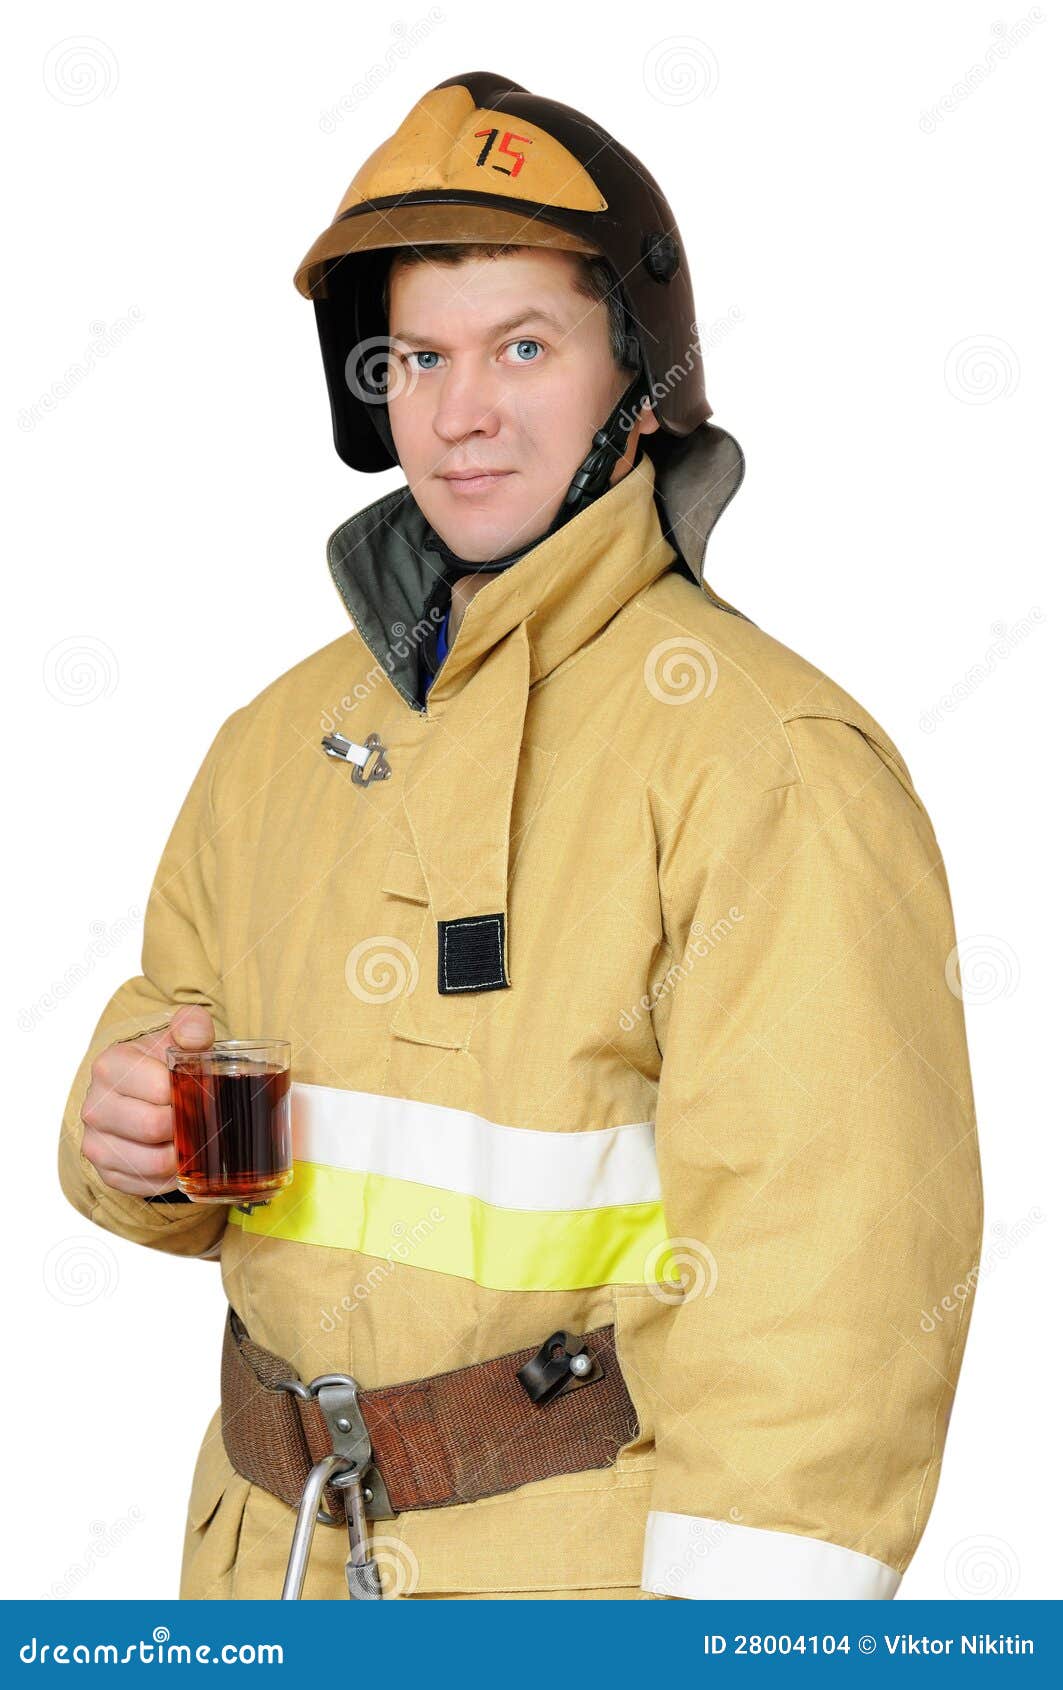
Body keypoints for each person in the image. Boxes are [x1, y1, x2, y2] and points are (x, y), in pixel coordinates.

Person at [58, 71, 983, 1602]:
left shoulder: (767, 763)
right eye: (414, 354)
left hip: (568, 1595)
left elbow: (836, 1274)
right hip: (263, 1570)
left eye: (524, 348)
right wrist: (129, 1137)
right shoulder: (279, 742)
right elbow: (176, 1044)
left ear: (643, 379)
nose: (459, 407)